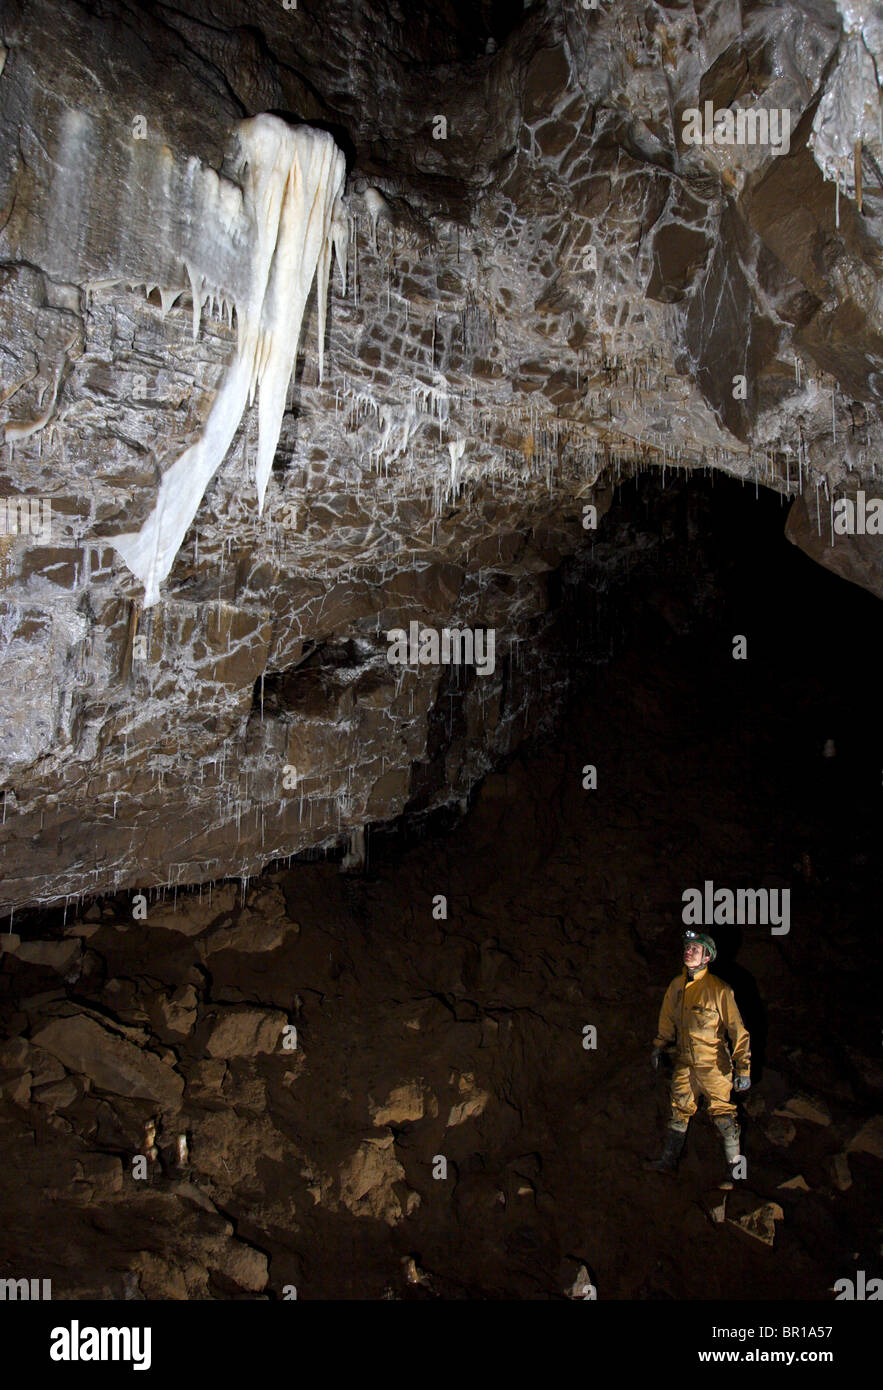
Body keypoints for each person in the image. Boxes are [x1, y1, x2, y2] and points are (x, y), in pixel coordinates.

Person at [645, 931, 751, 1181]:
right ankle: (668, 1162)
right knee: (679, 1110)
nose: (688, 951)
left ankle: (736, 1175)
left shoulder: (719, 990)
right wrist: (659, 1045)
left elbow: (738, 1030)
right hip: (685, 1063)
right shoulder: (677, 985)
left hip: (714, 1065)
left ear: (707, 957)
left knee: (724, 1118)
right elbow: (667, 1017)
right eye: (688, 947)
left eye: (695, 948)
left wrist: (743, 1067)